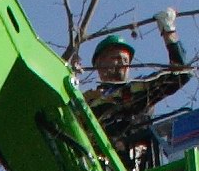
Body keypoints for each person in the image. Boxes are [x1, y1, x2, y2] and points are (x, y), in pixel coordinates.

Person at [80, 10, 193, 146]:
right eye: (116, 58)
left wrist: (168, 30)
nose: (122, 62)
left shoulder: (137, 89)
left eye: (125, 59)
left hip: (131, 159)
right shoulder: (87, 101)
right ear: (99, 64)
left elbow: (181, 73)